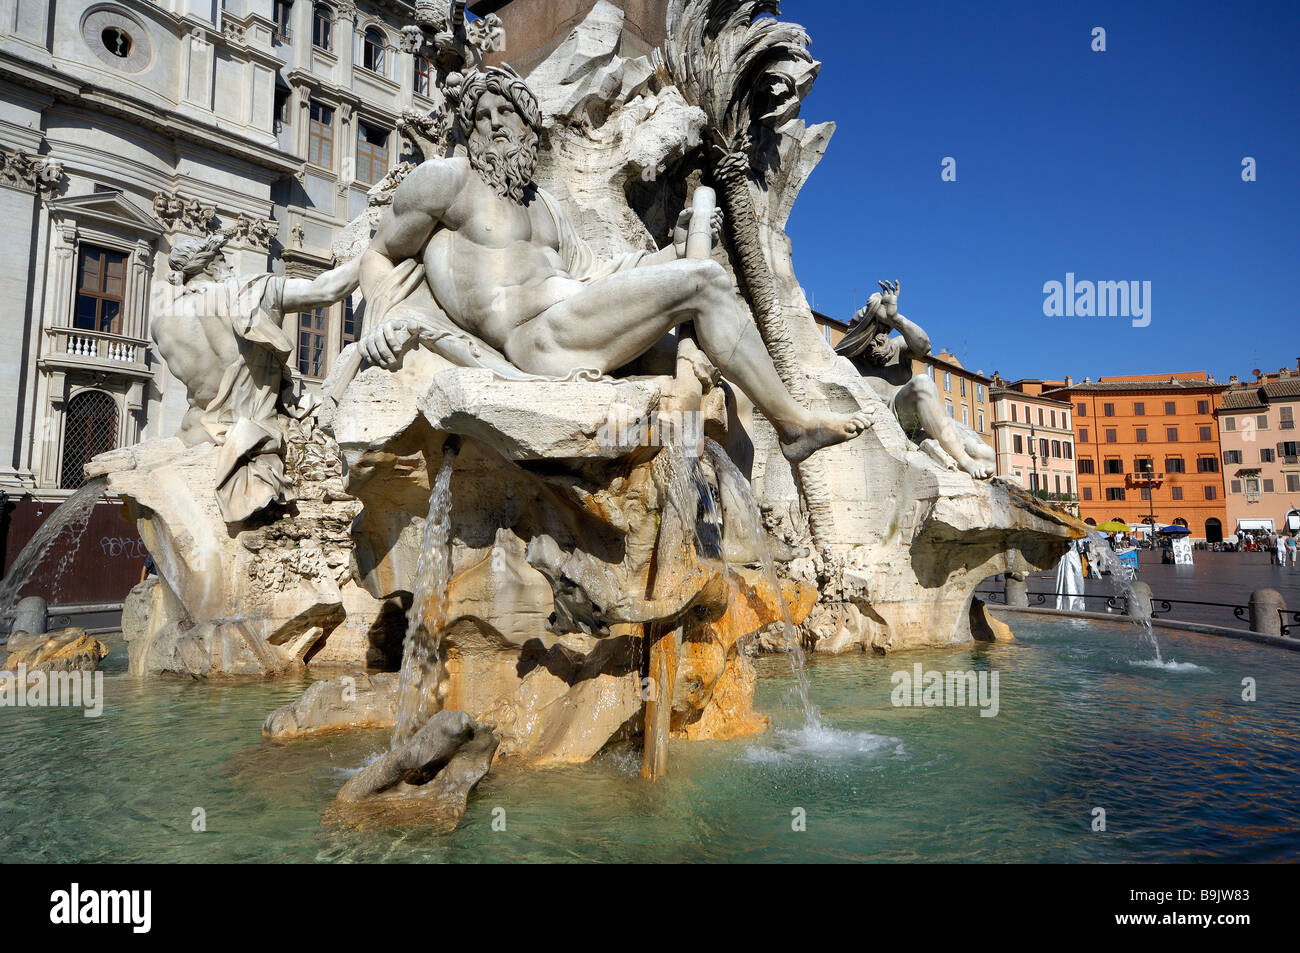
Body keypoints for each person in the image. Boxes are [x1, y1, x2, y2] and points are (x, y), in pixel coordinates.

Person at [356, 66, 869, 465]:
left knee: (723, 395)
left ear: (526, 121)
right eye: (480, 115)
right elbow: (379, 253)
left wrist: (679, 245)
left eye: (504, 111)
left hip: (575, 316)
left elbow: (604, 274)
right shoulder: (447, 181)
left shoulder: (545, 207)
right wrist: (379, 322)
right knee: (708, 281)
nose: (492, 123)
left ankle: (722, 538)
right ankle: (795, 425)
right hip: (536, 340)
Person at [152, 232, 360, 522]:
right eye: (224, 260)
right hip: (253, 436)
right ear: (211, 266)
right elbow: (328, 291)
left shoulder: (162, 321)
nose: (232, 268)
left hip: (196, 435)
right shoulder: (248, 293)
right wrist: (378, 251)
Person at [834, 281, 996, 478]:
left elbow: (925, 346)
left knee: (987, 454)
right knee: (922, 383)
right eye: (875, 332)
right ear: (862, 337)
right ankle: (964, 461)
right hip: (888, 418)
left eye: (885, 331)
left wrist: (896, 318)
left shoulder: (898, 347)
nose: (881, 338)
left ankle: (963, 455)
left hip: (915, 418)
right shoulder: (849, 361)